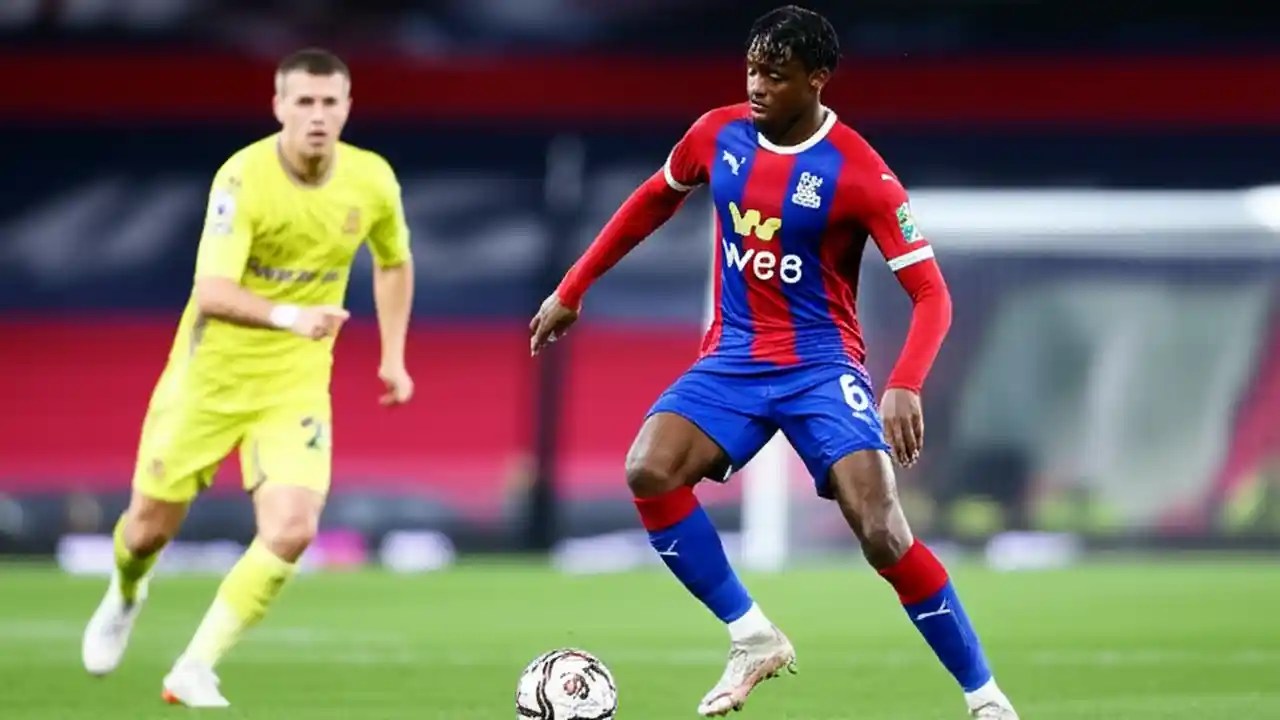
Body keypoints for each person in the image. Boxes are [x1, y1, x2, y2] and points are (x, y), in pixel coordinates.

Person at [529, 6, 1018, 718]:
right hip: (733, 357)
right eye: (752, 70)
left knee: (880, 529)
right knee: (648, 468)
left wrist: (905, 384)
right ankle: (752, 635)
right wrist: (573, 288)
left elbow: (932, 296)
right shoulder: (715, 133)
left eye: (776, 75)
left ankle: (986, 698)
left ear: (817, 79)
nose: (757, 86)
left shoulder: (861, 174)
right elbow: (650, 203)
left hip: (822, 366)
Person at [80, 47, 416, 708]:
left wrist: (393, 354)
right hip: (207, 380)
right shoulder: (243, 179)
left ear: (347, 108)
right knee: (146, 531)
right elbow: (210, 291)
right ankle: (125, 590)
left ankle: (194, 666)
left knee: (292, 527)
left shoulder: (372, 180)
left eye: (330, 103)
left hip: (291, 386)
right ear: (279, 106)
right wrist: (294, 315)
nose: (318, 116)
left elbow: (394, 260)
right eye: (304, 102)